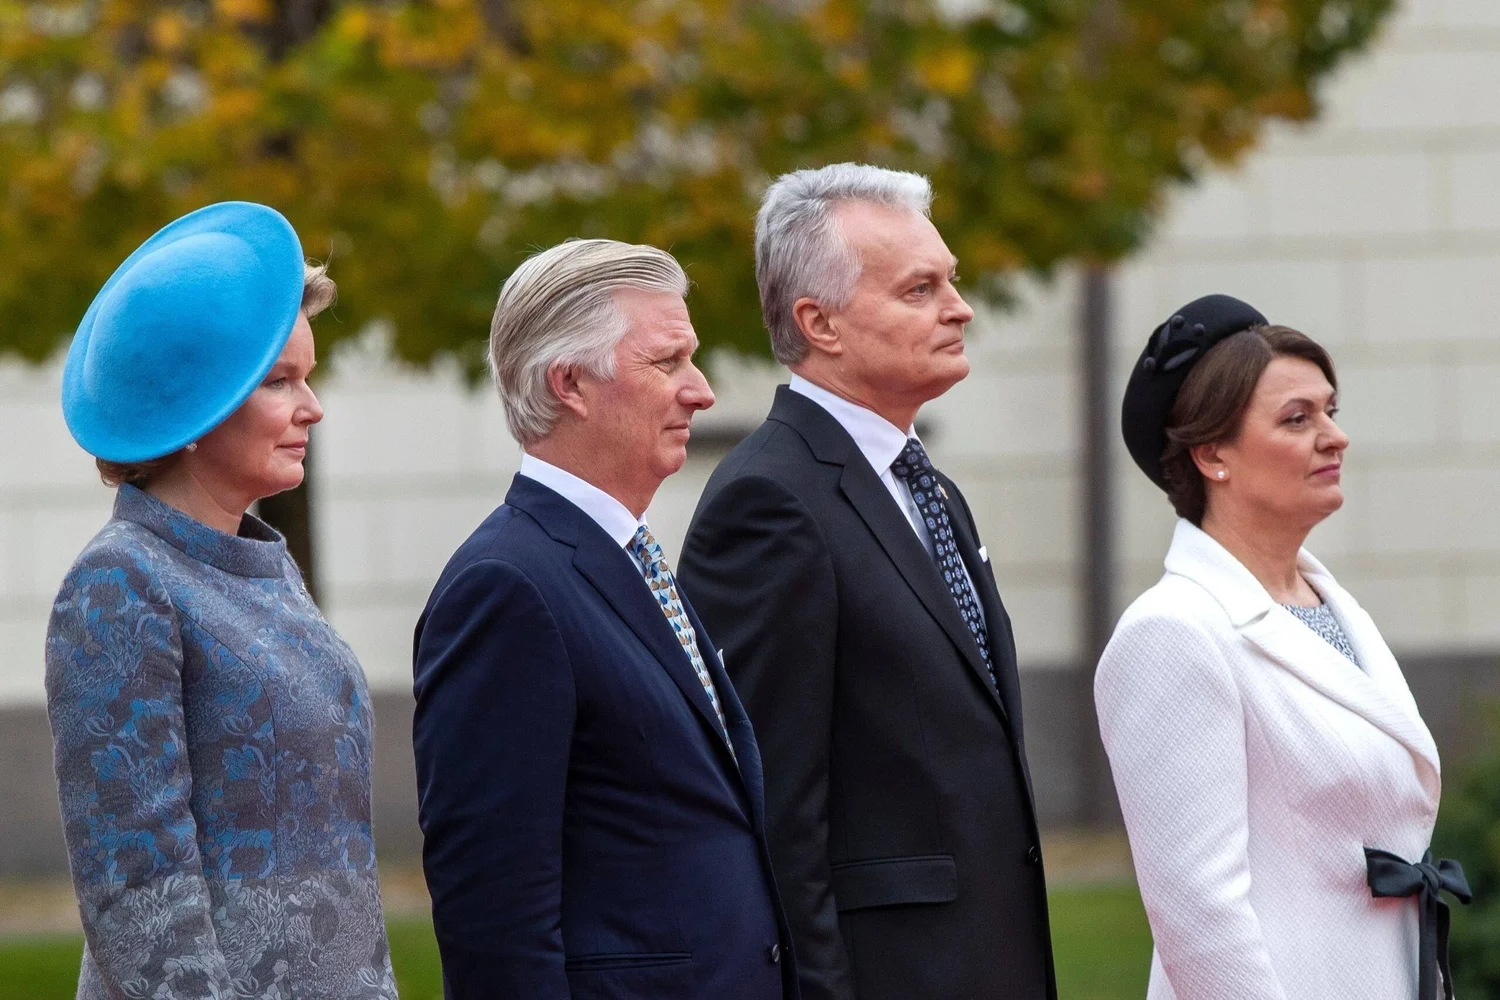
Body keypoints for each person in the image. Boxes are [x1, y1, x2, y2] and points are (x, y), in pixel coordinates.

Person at [677, 163, 1054, 1000]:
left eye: (952, 281)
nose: (959, 308)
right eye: (920, 289)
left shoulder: (927, 486)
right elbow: (772, 806)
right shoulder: (768, 501)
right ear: (820, 323)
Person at [411, 238, 796, 1000]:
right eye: (667, 362)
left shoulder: (625, 559)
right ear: (570, 384)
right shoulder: (506, 587)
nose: (701, 392)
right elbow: (494, 921)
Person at [45, 202, 398, 1000]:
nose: (313, 407)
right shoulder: (122, 581)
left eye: (306, 376)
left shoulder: (261, 564)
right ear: (197, 407)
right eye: (280, 381)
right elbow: (138, 897)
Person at [1097, 294, 1470, 1000]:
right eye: (1298, 419)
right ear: (1213, 454)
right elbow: (1198, 917)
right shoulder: (1173, 631)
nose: (1335, 437)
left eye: (1331, 410)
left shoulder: (1333, 606)